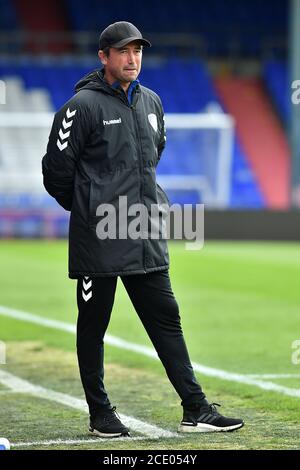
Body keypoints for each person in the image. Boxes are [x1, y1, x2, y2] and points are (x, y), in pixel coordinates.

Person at [42, 21, 244, 438]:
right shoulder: (81, 107)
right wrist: (92, 209)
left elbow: (152, 158)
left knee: (167, 320)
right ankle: (101, 415)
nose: (132, 58)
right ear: (104, 57)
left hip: (144, 233)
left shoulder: (152, 102)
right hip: (99, 240)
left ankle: (196, 409)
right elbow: (55, 174)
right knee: (93, 325)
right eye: (123, 51)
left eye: (137, 51)